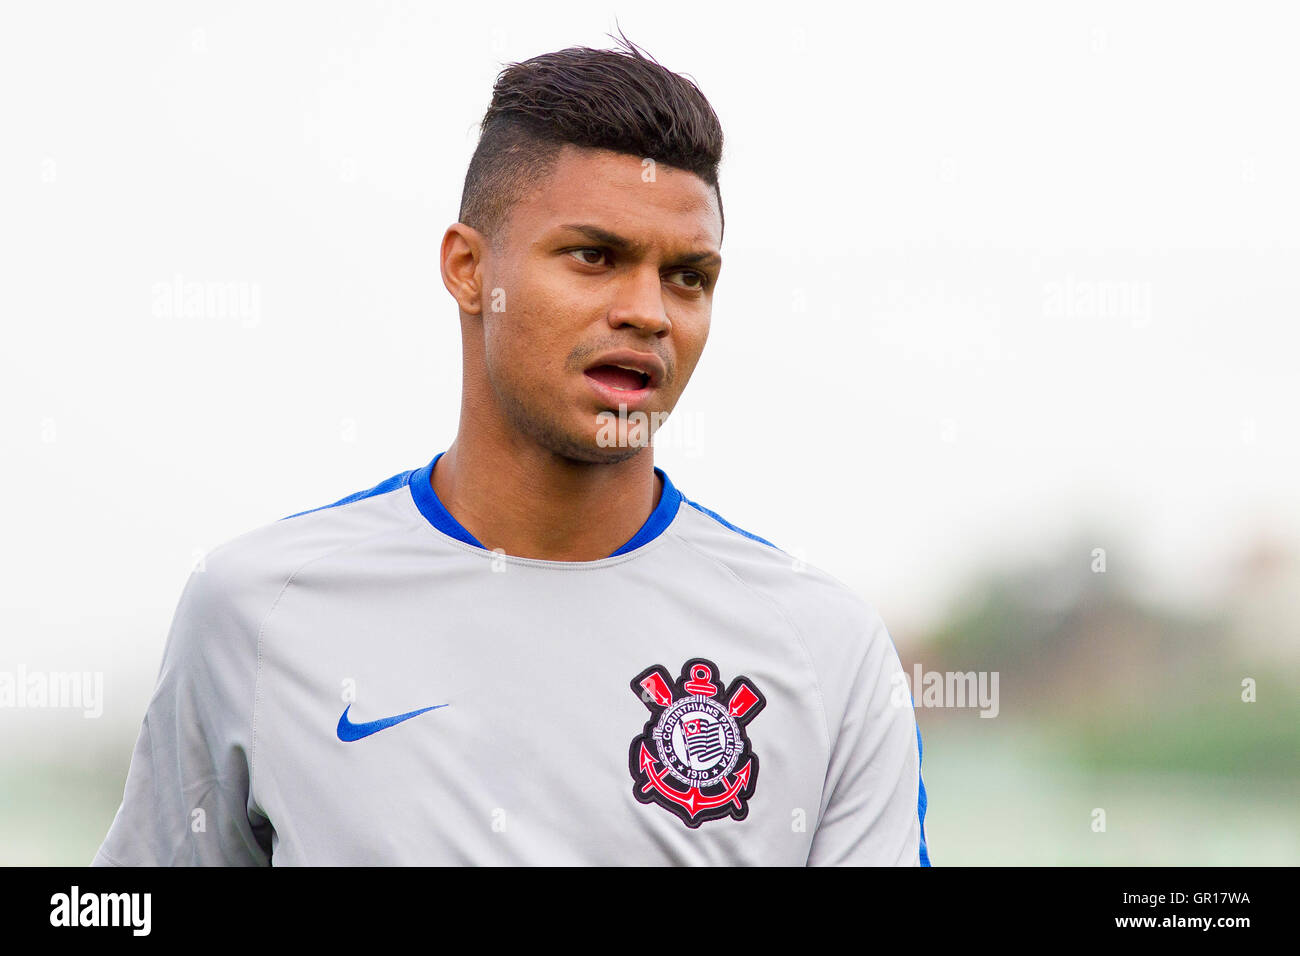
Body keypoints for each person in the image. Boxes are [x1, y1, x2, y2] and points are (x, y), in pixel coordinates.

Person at [92, 32, 930, 866]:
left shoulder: (827, 652)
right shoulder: (260, 613)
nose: (650, 312)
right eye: (595, 257)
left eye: (689, 277)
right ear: (467, 268)